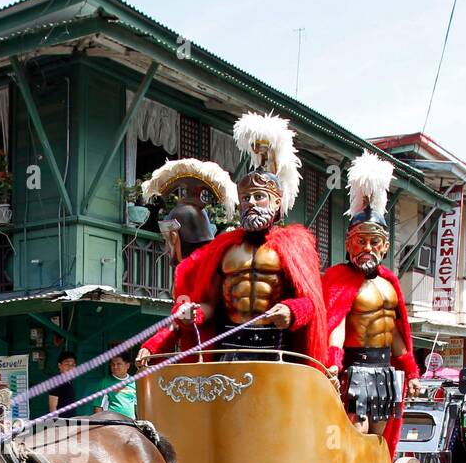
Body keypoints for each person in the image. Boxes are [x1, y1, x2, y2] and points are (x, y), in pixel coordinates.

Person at [136, 112, 326, 368]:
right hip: (229, 352)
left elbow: (311, 303)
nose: (251, 203)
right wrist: (196, 312)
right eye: (246, 197)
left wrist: (293, 311)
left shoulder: (295, 244)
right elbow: (211, 303)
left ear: (277, 202)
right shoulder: (223, 248)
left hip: (278, 354)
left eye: (259, 197)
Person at [322, 152, 419, 458]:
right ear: (349, 243)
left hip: (384, 372)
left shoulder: (390, 283)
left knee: (379, 438)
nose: (367, 248)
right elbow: (336, 323)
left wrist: (413, 373)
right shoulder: (339, 279)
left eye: (374, 242)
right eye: (360, 241)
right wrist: (334, 362)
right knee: (354, 433)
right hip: (355, 369)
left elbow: (397, 335)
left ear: (385, 246)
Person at [48, 351, 82, 415]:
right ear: (59, 365)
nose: (70, 367)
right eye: (67, 364)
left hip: (70, 422)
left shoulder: (69, 382)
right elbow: (52, 407)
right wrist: (57, 423)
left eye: (73, 365)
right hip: (62, 423)